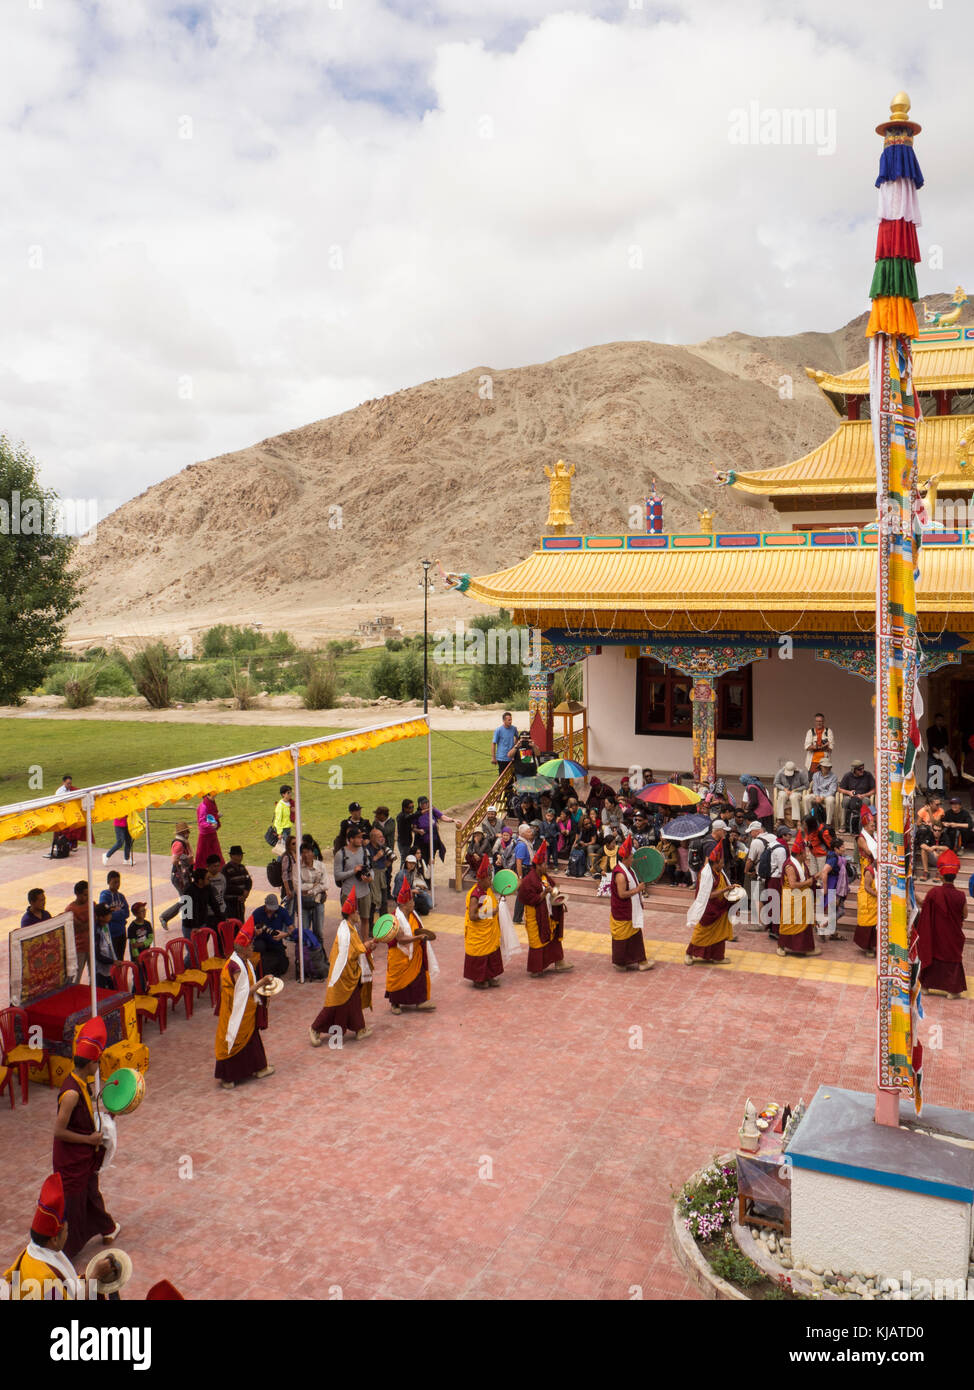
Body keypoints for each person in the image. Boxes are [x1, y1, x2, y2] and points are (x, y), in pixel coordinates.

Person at [52, 1017, 119, 1259]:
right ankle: (67, 1250)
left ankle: (107, 1226)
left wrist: (108, 1117)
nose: (99, 1065)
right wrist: (89, 1141)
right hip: (70, 1157)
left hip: (83, 1154)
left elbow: (85, 1117)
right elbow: (59, 1132)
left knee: (90, 1192)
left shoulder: (83, 1083)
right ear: (91, 1062)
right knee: (73, 1204)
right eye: (98, 1061)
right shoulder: (70, 1092)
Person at [3, 1172, 114, 1300]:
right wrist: (95, 1276)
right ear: (54, 1239)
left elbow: (65, 1286)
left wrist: (89, 1277)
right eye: (66, 1231)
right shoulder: (45, 1279)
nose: (67, 1235)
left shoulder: (29, 1254)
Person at [214, 920, 275, 1089]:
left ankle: (259, 1068)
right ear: (244, 949)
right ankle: (229, 1077)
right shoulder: (236, 968)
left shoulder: (242, 961)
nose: (253, 948)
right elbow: (244, 992)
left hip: (246, 1010)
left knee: (251, 1040)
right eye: (251, 946)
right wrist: (263, 981)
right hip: (237, 1012)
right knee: (235, 1039)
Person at [309, 888, 373, 1043]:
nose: (358, 914)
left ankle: (360, 1029)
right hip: (342, 976)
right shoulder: (345, 933)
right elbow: (352, 953)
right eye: (356, 912)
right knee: (334, 1004)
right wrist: (368, 946)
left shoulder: (349, 928)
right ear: (351, 914)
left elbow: (355, 949)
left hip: (350, 975)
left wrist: (367, 946)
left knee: (353, 1002)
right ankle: (314, 1028)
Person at [915, 849, 967, 998]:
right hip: (953, 936)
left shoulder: (934, 893)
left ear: (941, 875)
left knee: (934, 956)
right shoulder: (960, 895)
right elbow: (965, 914)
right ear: (955, 876)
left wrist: (916, 897)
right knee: (952, 959)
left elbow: (925, 907)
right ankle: (952, 990)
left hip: (937, 935)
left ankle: (925, 987)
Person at [519, 841, 573, 978]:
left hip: (548, 913)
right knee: (537, 941)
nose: (546, 866)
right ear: (537, 866)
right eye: (544, 864)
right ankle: (536, 968)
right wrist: (544, 894)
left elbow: (554, 889)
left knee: (553, 937)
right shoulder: (528, 880)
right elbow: (526, 898)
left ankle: (559, 962)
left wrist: (559, 901)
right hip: (535, 916)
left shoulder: (544, 877)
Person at [385, 878, 438, 1013]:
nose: (414, 903)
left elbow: (418, 929)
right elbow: (401, 939)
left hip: (414, 953)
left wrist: (421, 936)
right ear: (405, 904)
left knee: (419, 973)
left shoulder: (413, 915)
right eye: (412, 901)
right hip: (399, 954)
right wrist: (418, 938)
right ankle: (395, 1004)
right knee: (397, 977)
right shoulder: (395, 918)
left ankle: (420, 1001)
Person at [685, 842, 737, 965]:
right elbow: (709, 895)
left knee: (720, 933)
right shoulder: (707, 874)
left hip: (720, 907)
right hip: (708, 909)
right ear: (715, 863)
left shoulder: (719, 872)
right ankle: (689, 953)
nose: (723, 865)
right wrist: (726, 889)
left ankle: (718, 957)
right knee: (701, 932)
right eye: (722, 863)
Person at [609, 835, 654, 972]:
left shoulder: (628, 869)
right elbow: (622, 894)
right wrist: (638, 889)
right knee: (623, 938)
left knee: (635, 935)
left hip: (630, 910)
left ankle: (640, 961)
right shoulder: (621, 874)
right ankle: (621, 963)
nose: (633, 859)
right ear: (626, 858)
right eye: (632, 857)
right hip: (624, 911)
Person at [463, 856, 504, 989]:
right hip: (478, 932)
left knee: (491, 951)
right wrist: (490, 913)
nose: (490, 882)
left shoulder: (486, 890)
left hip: (489, 931)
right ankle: (478, 979)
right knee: (480, 954)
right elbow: (473, 916)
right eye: (488, 879)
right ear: (481, 879)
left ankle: (490, 975)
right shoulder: (476, 894)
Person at [777, 843, 820, 957]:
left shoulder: (801, 864)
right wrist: (808, 882)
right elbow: (792, 884)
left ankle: (805, 947)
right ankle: (781, 946)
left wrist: (815, 877)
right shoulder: (790, 866)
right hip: (792, 897)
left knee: (804, 923)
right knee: (789, 923)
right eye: (805, 853)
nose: (807, 855)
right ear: (800, 854)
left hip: (802, 897)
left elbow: (805, 878)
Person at [334, 827, 374, 937]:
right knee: (349, 922)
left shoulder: (365, 851)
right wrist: (353, 871)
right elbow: (337, 876)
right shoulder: (340, 854)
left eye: (361, 837)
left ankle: (364, 946)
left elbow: (370, 869)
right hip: (348, 892)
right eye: (358, 837)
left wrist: (370, 877)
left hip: (364, 891)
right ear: (350, 839)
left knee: (365, 919)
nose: (361, 840)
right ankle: (350, 945)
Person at [245, 893, 292, 977]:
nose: (272, 911)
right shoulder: (257, 912)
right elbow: (247, 929)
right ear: (265, 905)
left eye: (274, 908)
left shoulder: (282, 911)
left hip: (276, 942)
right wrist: (255, 932)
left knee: (282, 968)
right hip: (261, 941)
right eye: (270, 908)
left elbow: (293, 929)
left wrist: (284, 935)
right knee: (260, 947)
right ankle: (260, 967)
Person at [298, 844, 328, 944]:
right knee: (304, 932)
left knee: (318, 931)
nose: (305, 855)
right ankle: (303, 956)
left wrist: (310, 891)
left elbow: (325, 885)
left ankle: (319, 955)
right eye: (303, 853)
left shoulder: (321, 866)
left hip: (318, 901)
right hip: (303, 903)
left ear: (313, 853)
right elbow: (298, 887)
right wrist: (313, 885)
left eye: (308, 852)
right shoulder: (297, 868)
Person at [853, 836, 878, 955]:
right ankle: (868, 948)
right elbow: (867, 888)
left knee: (875, 925)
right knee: (868, 924)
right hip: (868, 899)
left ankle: (873, 946)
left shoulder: (879, 870)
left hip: (875, 901)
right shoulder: (869, 871)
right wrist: (878, 895)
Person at [837, 759, 875, 831]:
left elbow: (874, 789)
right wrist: (849, 793)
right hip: (851, 797)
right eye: (860, 769)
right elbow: (839, 789)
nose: (862, 771)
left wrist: (864, 795)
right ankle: (843, 826)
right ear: (854, 770)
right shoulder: (847, 775)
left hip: (863, 796)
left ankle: (863, 826)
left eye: (863, 768)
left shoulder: (868, 775)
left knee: (866, 801)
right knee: (845, 801)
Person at [413, 796, 454, 864]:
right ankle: (424, 873)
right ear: (419, 804)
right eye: (423, 803)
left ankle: (430, 873)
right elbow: (413, 828)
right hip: (422, 841)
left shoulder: (433, 810)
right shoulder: (417, 814)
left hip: (433, 839)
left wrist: (453, 820)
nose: (425, 804)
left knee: (431, 860)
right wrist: (419, 831)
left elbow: (442, 817)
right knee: (422, 860)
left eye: (426, 802)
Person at [64, 881, 91, 984]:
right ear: (77, 894)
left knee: (94, 974)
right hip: (79, 947)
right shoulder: (70, 910)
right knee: (76, 975)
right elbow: (79, 928)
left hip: (92, 945)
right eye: (85, 895)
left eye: (88, 894)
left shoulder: (91, 904)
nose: (87, 897)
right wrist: (91, 921)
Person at [99, 871, 129, 961]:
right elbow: (105, 914)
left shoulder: (121, 896)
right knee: (113, 960)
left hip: (122, 933)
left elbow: (127, 913)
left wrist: (114, 913)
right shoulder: (104, 896)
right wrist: (119, 913)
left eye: (118, 882)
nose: (117, 884)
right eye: (114, 882)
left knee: (120, 959)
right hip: (111, 934)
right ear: (108, 882)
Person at [184, 867, 221, 939]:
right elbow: (190, 911)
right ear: (200, 881)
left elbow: (214, 904)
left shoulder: (207, 888)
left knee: (202, 947)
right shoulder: (189, 891)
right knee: (193, 948)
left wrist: (222, 917)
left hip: (202, 922)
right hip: (190, 926)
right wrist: (194, 926)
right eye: (207, 878)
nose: (210, 880)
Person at [367, 826, 393, 921]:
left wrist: (390, 860)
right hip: (372, 879)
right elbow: (367, 865)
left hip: (382, 878)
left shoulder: (382, 848)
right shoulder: (367, 849)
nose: (383, 839)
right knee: (373, 903)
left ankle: (384, 924)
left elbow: (384, 864)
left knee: (384, 902)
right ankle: (370, 928)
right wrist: (376, 857)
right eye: (380, 837)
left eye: (382, 836)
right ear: (373, 838)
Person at [804, 757, 838, 828]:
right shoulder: (816, 775)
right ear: (820, 767)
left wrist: (822, 797)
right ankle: (808, 820)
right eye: (825, 767)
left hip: (827, 795)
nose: (827, 768)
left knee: (830, 800)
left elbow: (832, 790)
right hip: (817, 795)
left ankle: (828, 823)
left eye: (828, 767)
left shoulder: (833, 776)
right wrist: (817, 796)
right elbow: (815, 788)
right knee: (806, 798)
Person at [511, 822, 535, 924]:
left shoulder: (527, 843)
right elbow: (519, 862)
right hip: (524, 871)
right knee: (521, 895)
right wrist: (520, 877)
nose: (531, 833)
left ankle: (522, 917)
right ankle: (517, 918)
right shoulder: (522, 845)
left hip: (528, 870)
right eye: (528, 831)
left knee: (524, 894)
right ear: (523, 834)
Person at [223, 845, 253, 923]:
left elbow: (248, 880)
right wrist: (242, 892)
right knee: (232, 924)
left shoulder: (242, 868)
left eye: (241, 855)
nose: (240, 858)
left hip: (240, 902)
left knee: (240, 923)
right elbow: (227, 886)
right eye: (237, 855)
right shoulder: (226, 869)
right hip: (230, 903)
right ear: (231, 856)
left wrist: (246, 892)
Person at [194, 792, 222, 870]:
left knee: (216, 853)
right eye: (213, 795)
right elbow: (201, 822)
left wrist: (217, 817)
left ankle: (218, 869)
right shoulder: (203, 806)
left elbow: (211, 818)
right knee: (202, 856)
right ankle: (201, 871)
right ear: (207, 795)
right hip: (205, 836)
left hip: (212, 833)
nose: (215, 796)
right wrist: (211, 826)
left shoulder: (211, 804)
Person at [126, 902, 154, 979]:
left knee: (148, 972)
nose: (144, 912)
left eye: (144, 910)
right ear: (136, 914)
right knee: (138, 974)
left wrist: (142, 944)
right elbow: (133, 945)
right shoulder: (132, 927)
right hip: (137, 956)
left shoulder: (147, 924)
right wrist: (137, 957)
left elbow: (151, 938)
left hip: (146, 953)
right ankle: (136, 989)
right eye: (142, 911)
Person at [92, 904, 116, 988]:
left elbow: (110, 945)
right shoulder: (95, 932)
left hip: (109, 968)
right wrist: (112, 961)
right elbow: (97, 955)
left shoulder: (106, 926)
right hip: (100, 970)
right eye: (108, 914)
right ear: (101, 917)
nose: (110, 915)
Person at [492, 712, 519, 778]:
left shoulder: (514, 729)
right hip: (502, 759)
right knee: (502, 778)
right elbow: (493, 744)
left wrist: (514, 748)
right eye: (509, 720)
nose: (510, 721)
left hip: (512, 758)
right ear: (504, 720)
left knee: (512, 778)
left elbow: (517, 738)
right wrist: (493, 757)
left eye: (511, 719)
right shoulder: (498, 730)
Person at [206, 854, 227, 920]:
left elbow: (223, 890)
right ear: (208, 866)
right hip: (208, 912)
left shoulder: (222, 877)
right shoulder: (205, 877)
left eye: (218, 866)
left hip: (221, 909)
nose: (217, 868)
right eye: (214, 866)